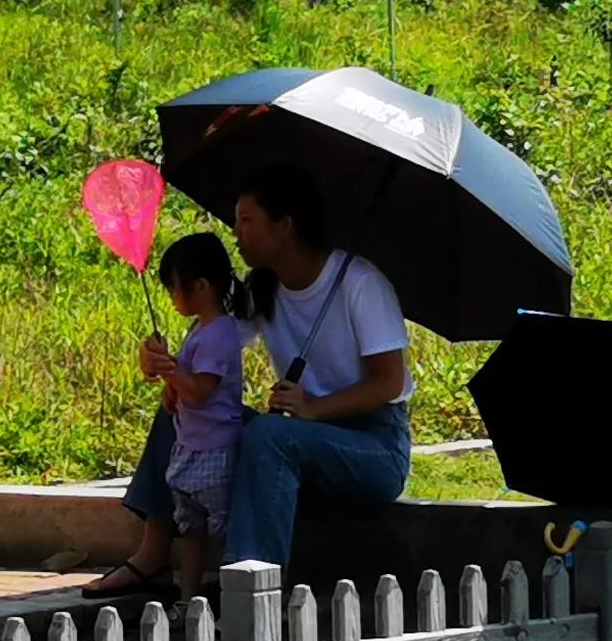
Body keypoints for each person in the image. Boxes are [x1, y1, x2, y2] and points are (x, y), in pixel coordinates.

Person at [224, 163, 411, 568]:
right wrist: (176, 372)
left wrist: (314, 409)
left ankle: (256, 588)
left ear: (284, 225)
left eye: (247, 221)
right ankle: (154, 555)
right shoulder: (263, 287)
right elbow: (218, 350)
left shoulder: (359, 283)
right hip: (303, 434)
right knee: (190, 414)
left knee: (270, 433)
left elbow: (389, 383)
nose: (235, 233)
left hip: (374, 446)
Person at [87, 234, 249, 600]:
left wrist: (170, 371)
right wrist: (170, 381)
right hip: (189, 448)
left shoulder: (221, 334)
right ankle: (188, 597)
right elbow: (184, 391)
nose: (172, 298)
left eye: (175, 289)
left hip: (215, 452)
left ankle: (232, 596)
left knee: (219, 528)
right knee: (190, 528)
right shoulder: (200, 331)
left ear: (201, 286)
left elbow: (201, 390)